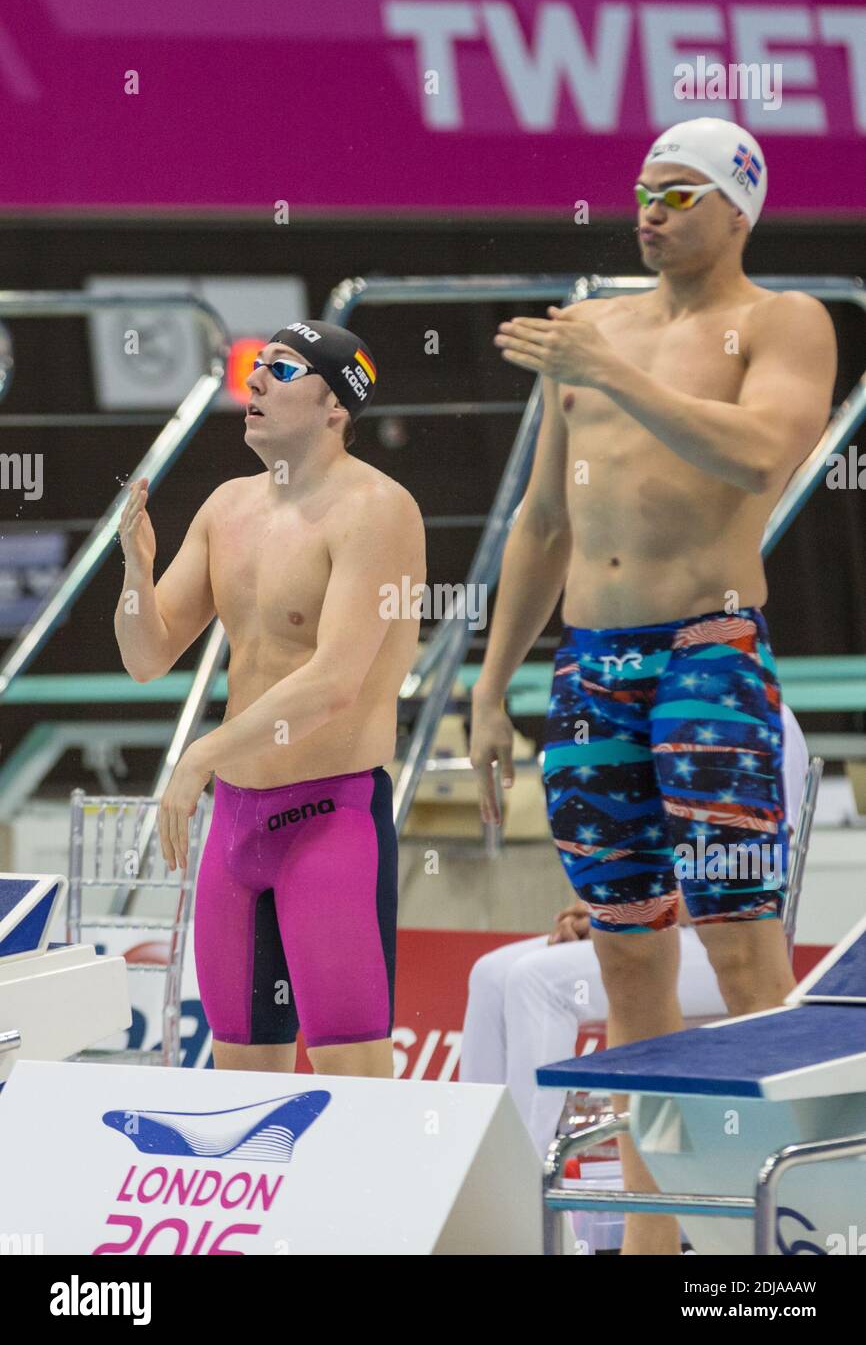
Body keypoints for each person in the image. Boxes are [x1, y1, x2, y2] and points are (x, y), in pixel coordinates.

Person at [469, 117, 836, 1254]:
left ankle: (781, 1233)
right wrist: (490, 686)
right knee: (626, 959)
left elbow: (759, 456)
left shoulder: (779, 322)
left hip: (704, 658)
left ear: (739, 209)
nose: (649, 211)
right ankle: (654, 1244)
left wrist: (608, 372)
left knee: (740, 951)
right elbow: (539, 523)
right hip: (589, 668)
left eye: (678, 195)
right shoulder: (588, 333)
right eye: (641, 191)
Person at [115, 320, 426, 1079]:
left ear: (335, 407)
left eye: (280, 371)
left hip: (329, 824)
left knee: (354, 1079)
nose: (252, 381)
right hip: (235, 834)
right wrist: (134, 569)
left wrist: (201, 756)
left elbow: (333, 684)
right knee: (242, 1085)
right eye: (256, 367)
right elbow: (147, 657)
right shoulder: (227, 509)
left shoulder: (376, 511)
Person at [460, 704, 808, 1165]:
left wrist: (627, 908)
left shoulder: (757, 713)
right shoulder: (641, 703)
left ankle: (526, 1191)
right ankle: (476, 1176)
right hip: (644, 922)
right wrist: (594, 909)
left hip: (728, 942)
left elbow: (753, 876)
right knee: (490, 973)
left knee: (536, 981)